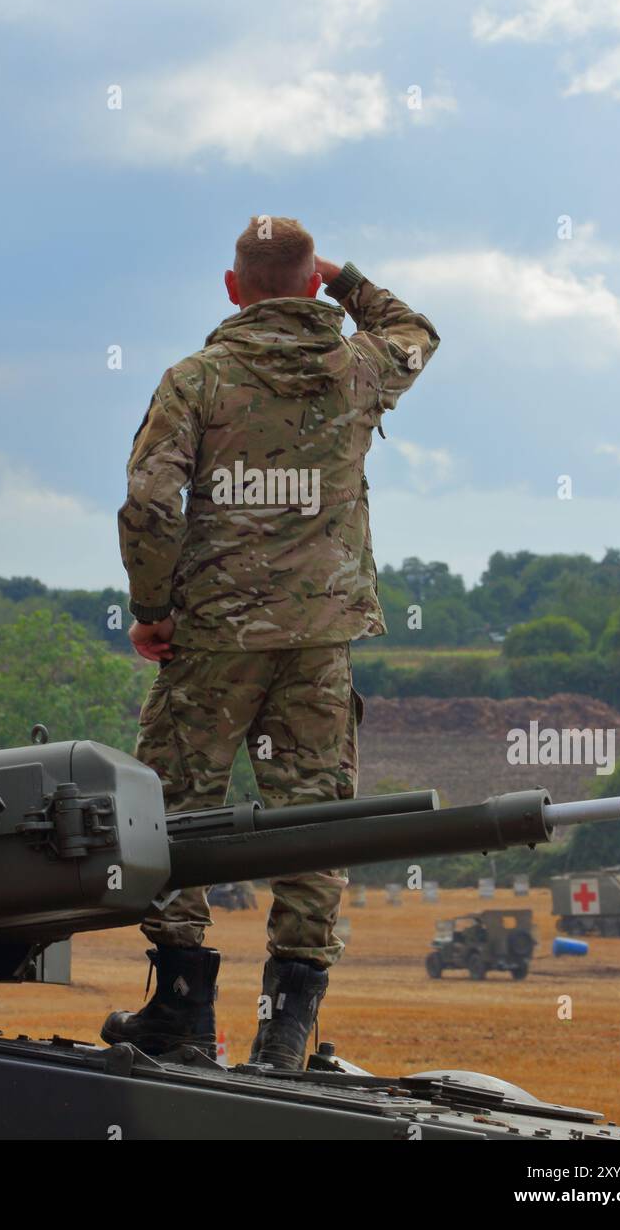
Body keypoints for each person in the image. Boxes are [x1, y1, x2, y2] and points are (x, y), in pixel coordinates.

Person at [102, 216, 439, 1068]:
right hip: (321, 640)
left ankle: (179, 1011)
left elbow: (148, 503)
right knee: (317, 823)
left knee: (176, 812)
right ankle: (286, 1030)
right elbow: (416, 333)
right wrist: (347, 278)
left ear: (231, 287)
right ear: (311, 281)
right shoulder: (358, 368)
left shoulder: (197, 381)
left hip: (212, 640)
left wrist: (154, 606)